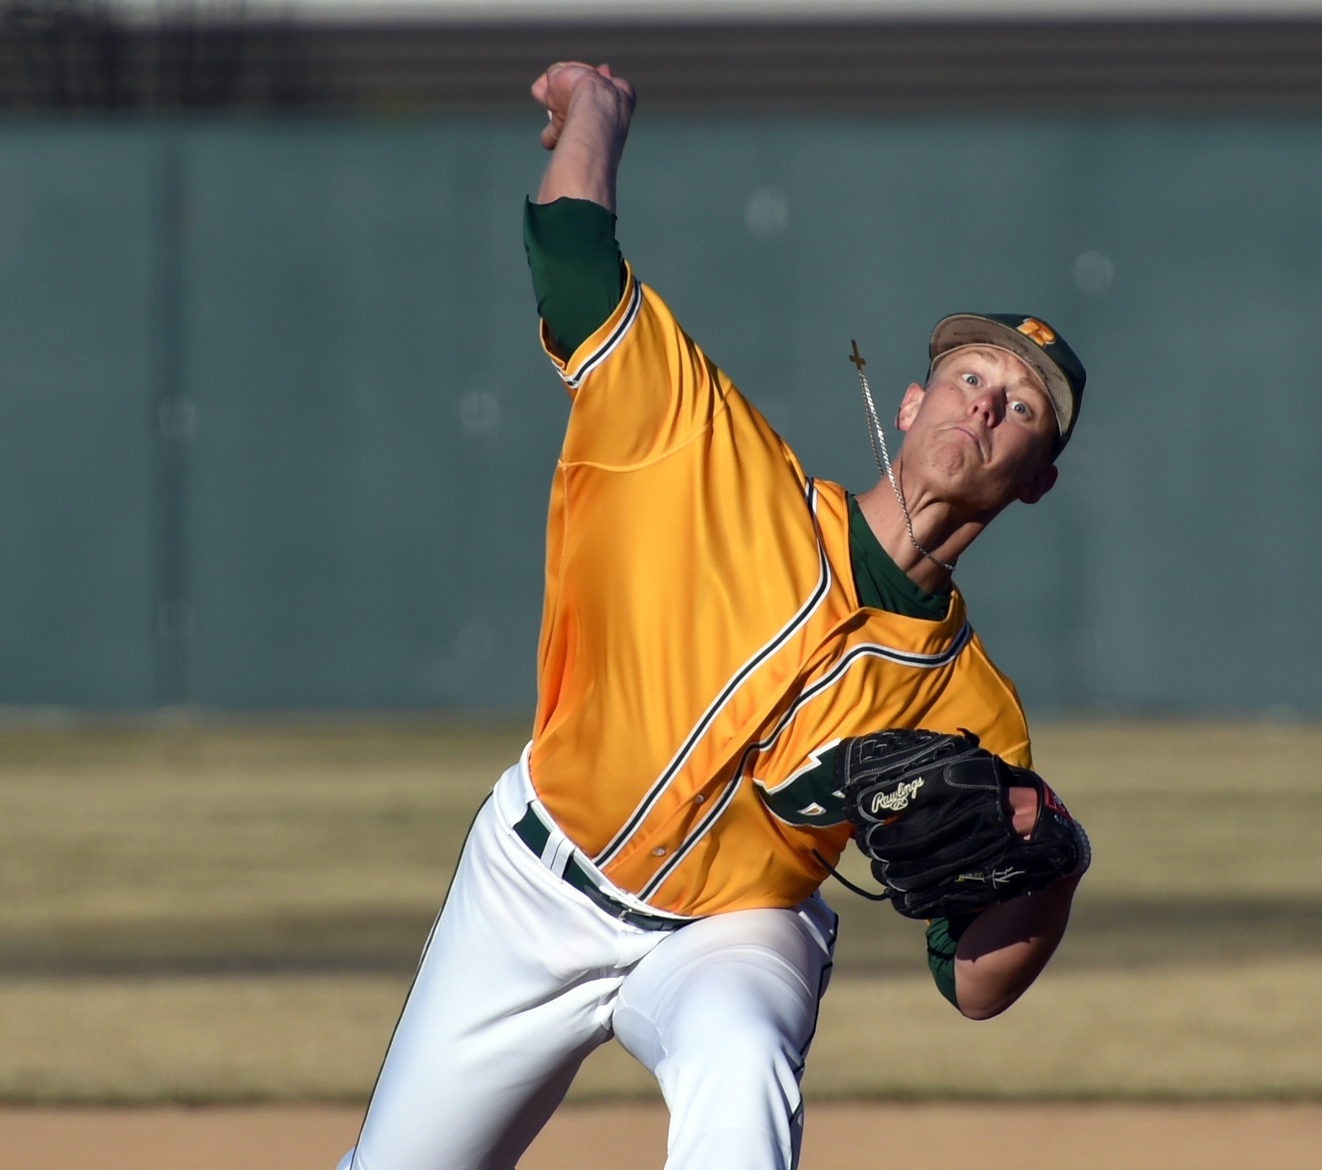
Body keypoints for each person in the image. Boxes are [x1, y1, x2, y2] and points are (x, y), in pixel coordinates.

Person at [337, 60, 1089, 1170]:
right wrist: (596, 117)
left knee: (739, 1062)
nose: (988, 400)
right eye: (972, 373)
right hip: (533, 886)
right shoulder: (705, 450)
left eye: (1021, 405)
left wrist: (1054, 869)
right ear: (916, 401)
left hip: (736, 934)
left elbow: (975, 985)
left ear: (1035, 478)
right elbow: (575, 268)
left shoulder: (974, 711)